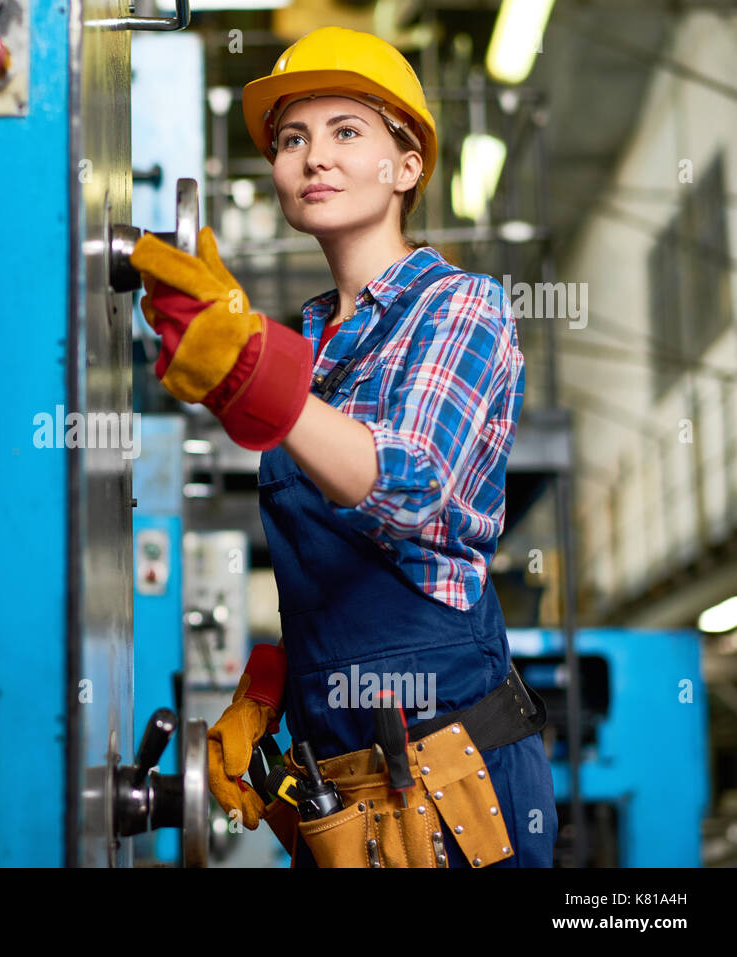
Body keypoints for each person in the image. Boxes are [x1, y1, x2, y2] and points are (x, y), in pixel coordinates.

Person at [128, 25, 556, 868]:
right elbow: (353, 565)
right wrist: (275, 682)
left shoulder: (462, 307)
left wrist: (257, 371)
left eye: (346, 131)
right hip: (342, 789)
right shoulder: (313, 345)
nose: (312, 156)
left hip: (452, 789)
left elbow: (411, 483)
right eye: (293, 138)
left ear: (406, 167)